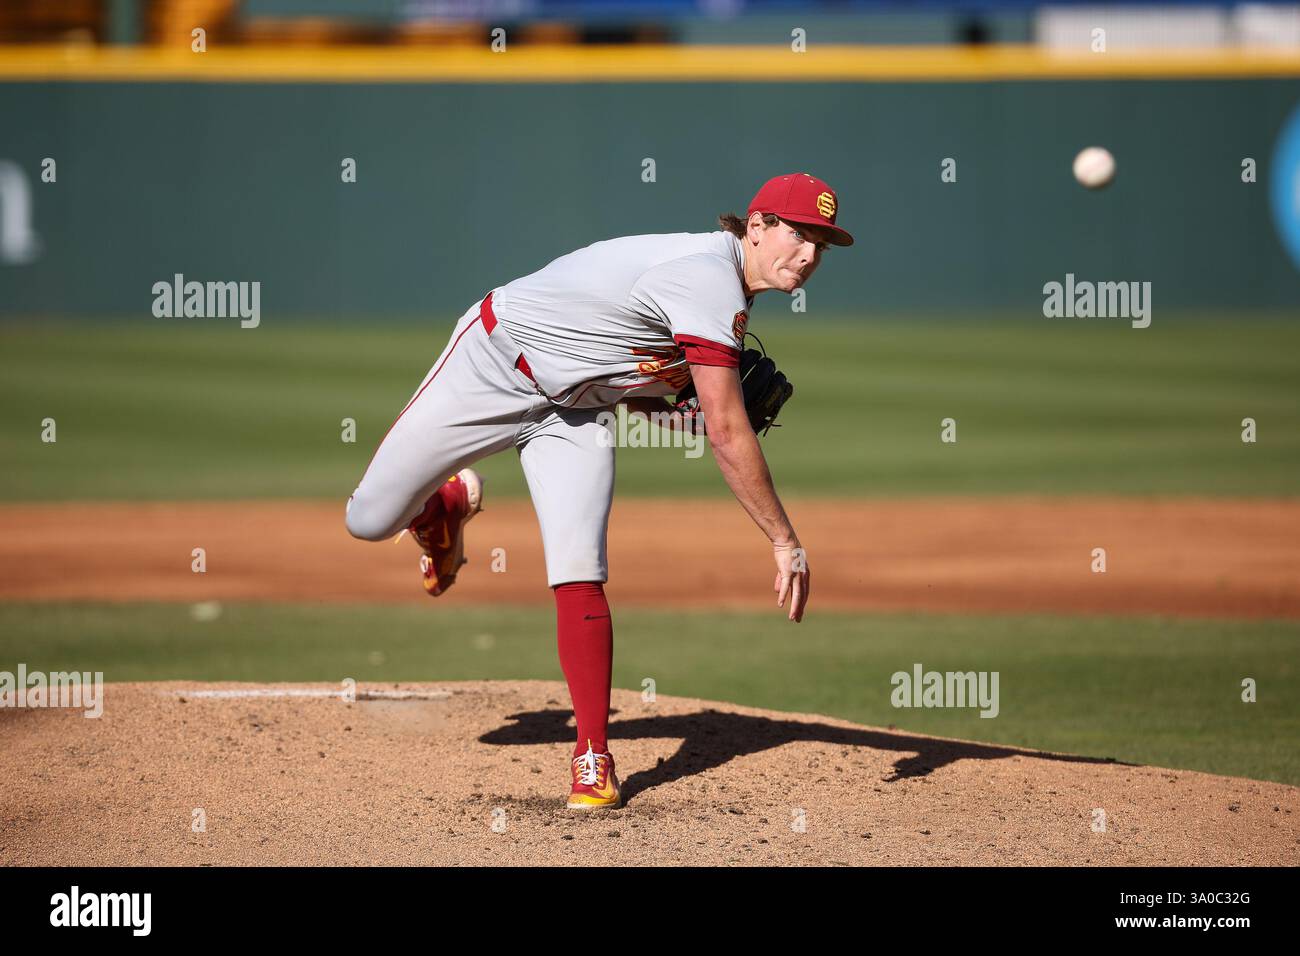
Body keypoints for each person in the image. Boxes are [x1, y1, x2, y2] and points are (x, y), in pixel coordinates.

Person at [346, 172, 853, 809]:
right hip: (493, 363)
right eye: (799, 234)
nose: (808, 256)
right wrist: (784, 540)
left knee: (580, 566)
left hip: (574, 412)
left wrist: (666, 408)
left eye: (822, 245)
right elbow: (725, 430)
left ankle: (593, 755)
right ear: (756, 227)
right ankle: (443, 504)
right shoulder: (704, 276)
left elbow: (622, 371)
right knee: (367, 519)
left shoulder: (725, 293)